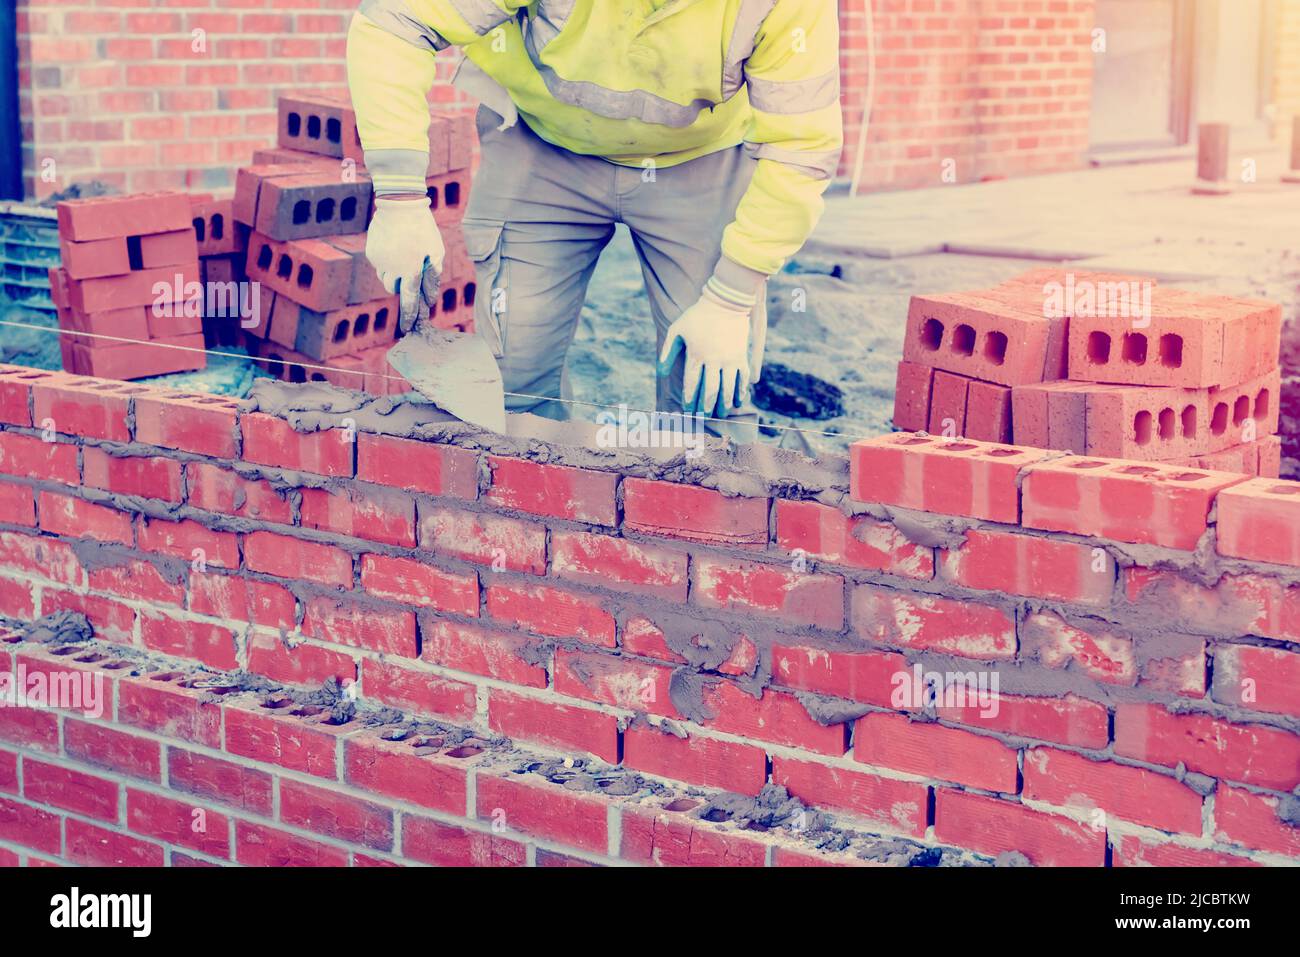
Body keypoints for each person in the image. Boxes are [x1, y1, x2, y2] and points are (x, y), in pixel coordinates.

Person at [347, 0, 842, 425]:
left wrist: (732, 297)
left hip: (702, 159)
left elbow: (801, 148)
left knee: (709, 393)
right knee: (512, 387)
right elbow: (395, 22)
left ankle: (692, 526)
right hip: (542, 145)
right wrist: (399, 201)